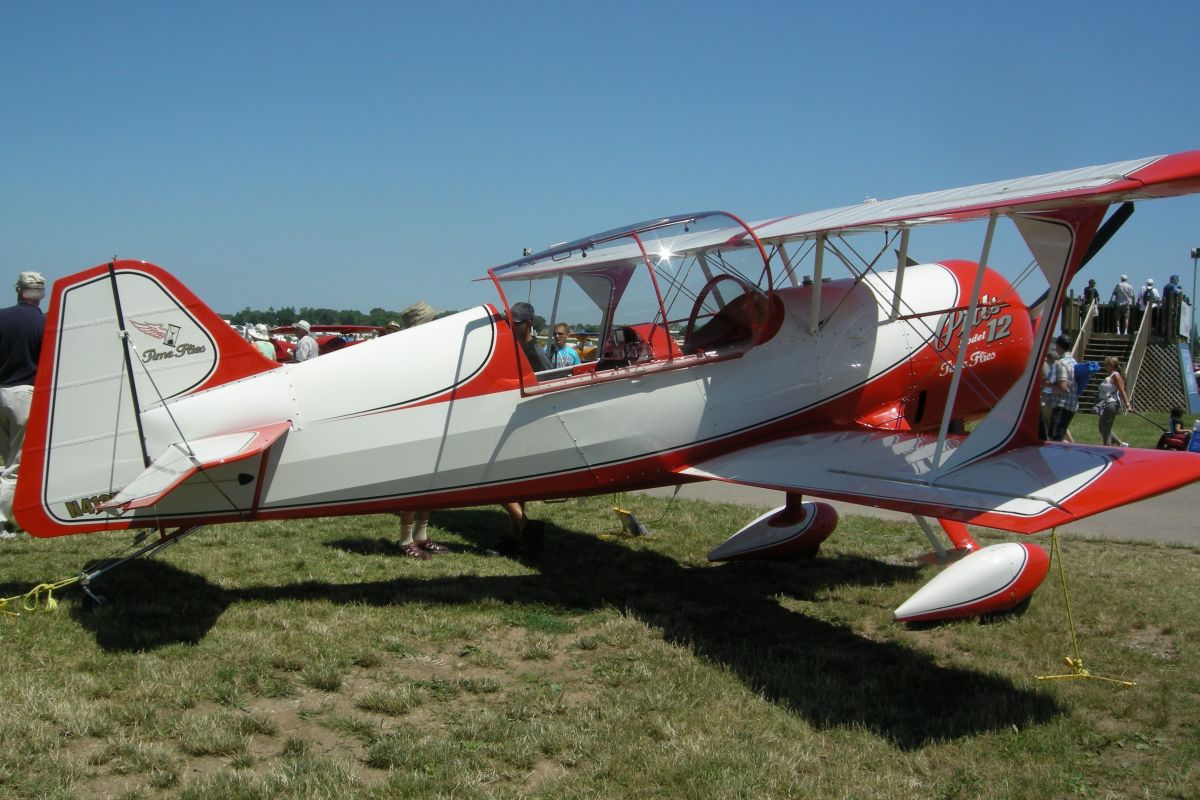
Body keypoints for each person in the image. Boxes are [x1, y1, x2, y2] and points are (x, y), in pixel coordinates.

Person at [0, 272, 47, 538]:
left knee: (6, 458)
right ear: (41, 294)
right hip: (23, 396)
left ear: (19, 290)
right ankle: (1, 523)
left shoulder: (1, 317)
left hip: (0, 391)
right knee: (15, 465)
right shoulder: (42, 325)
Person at [1094, 356, 1132, 447]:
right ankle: (1121, 444)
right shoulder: (1110, 375)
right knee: (1102, 427)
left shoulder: (1116, 375)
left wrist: (1127, 404)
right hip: (1106, 404)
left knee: (1106, 428)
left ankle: (1107, 448)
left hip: (1112, 403)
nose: (1105, 365)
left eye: (1107, 364)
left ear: (1112, 365)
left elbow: (1122, 390)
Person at [1048, 334, 1078, 442]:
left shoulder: (1061, 363)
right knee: (1060, 436)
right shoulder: (1074, 362)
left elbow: (1063, 387)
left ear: (1058, 346)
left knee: (1055, 438)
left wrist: (1048, 384)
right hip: (1072, 404)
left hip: (1061, 404)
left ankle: (1074, 455)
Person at [509, 302, 550, 371]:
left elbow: (551, 377)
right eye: (509, 321)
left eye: (515, 323)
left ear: (529, 324)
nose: (511, 326)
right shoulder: (513, 347)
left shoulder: (537, 354)